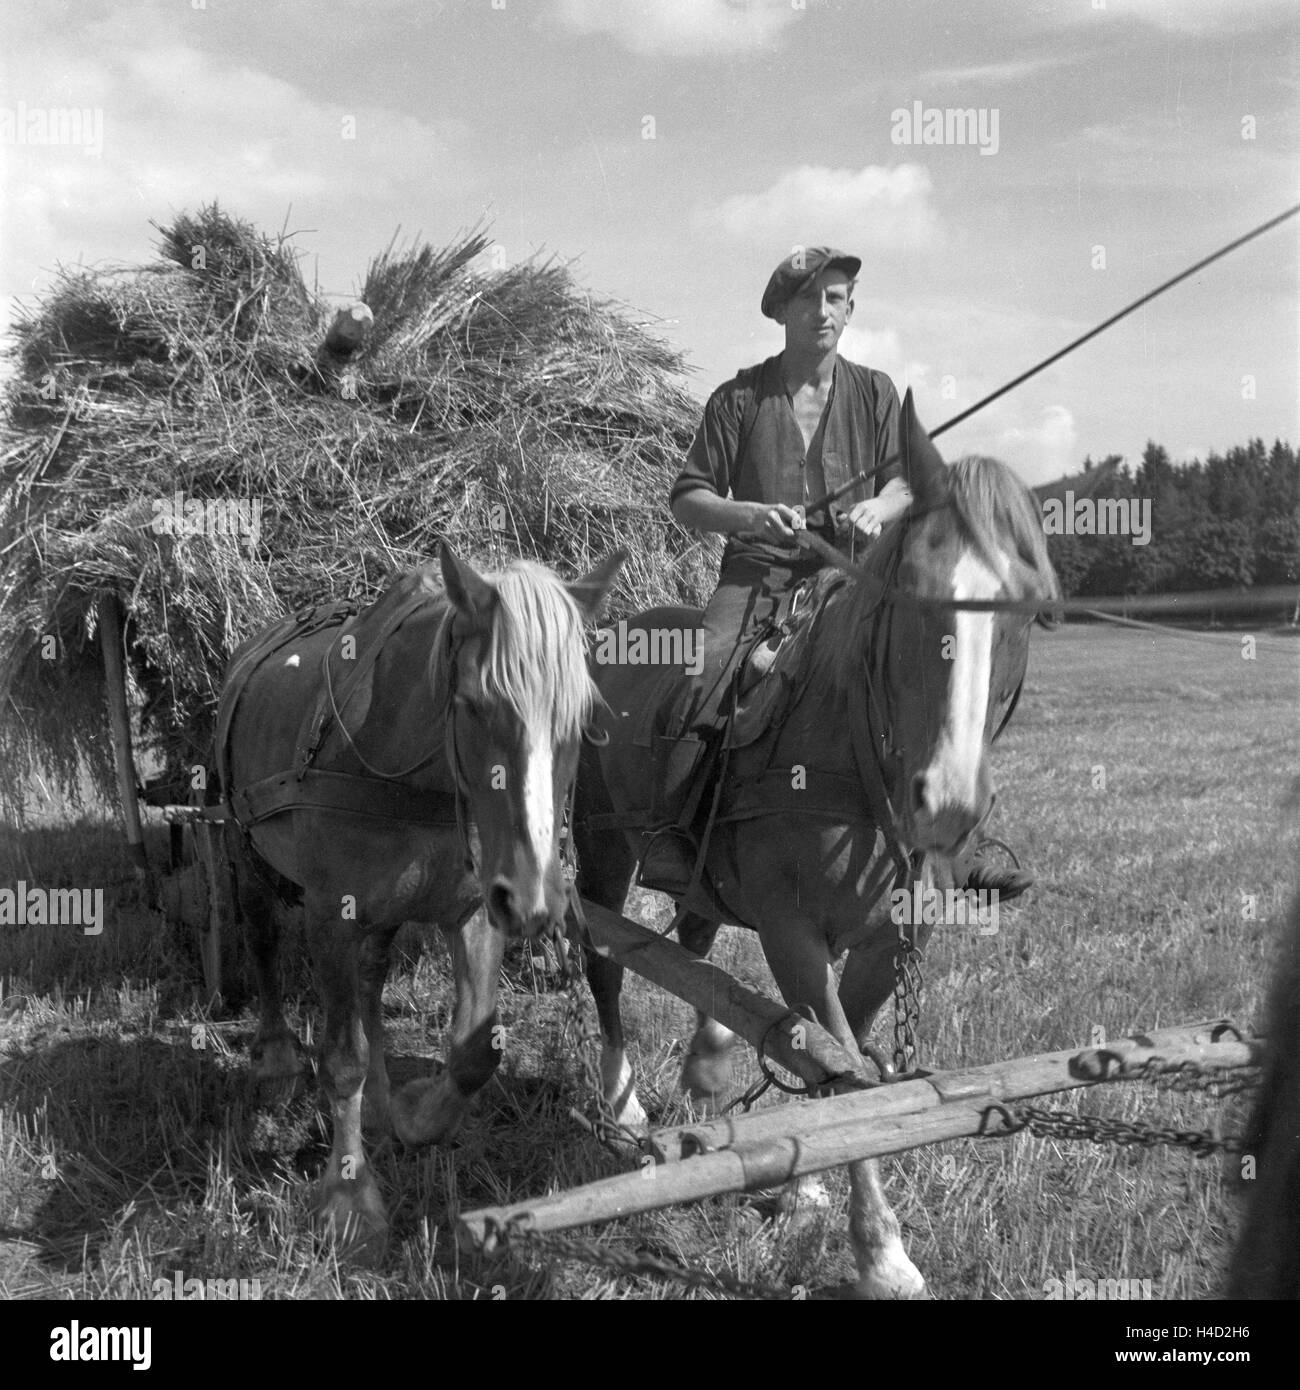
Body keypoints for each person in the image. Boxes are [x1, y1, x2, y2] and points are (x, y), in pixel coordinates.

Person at [653, 245, 1031, 901]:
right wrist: (748, 515)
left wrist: (882, 507)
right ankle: (677, 841)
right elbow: (688, 499)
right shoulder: (736, 400)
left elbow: (912, 488)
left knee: (928, 681)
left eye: (834, 298)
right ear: (783, 312)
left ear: (850, 311)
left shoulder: (877, 393)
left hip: (852, 582)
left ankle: (951, 849)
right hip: (755, 583)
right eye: (808, 299)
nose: (821, 311)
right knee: (701, 672)